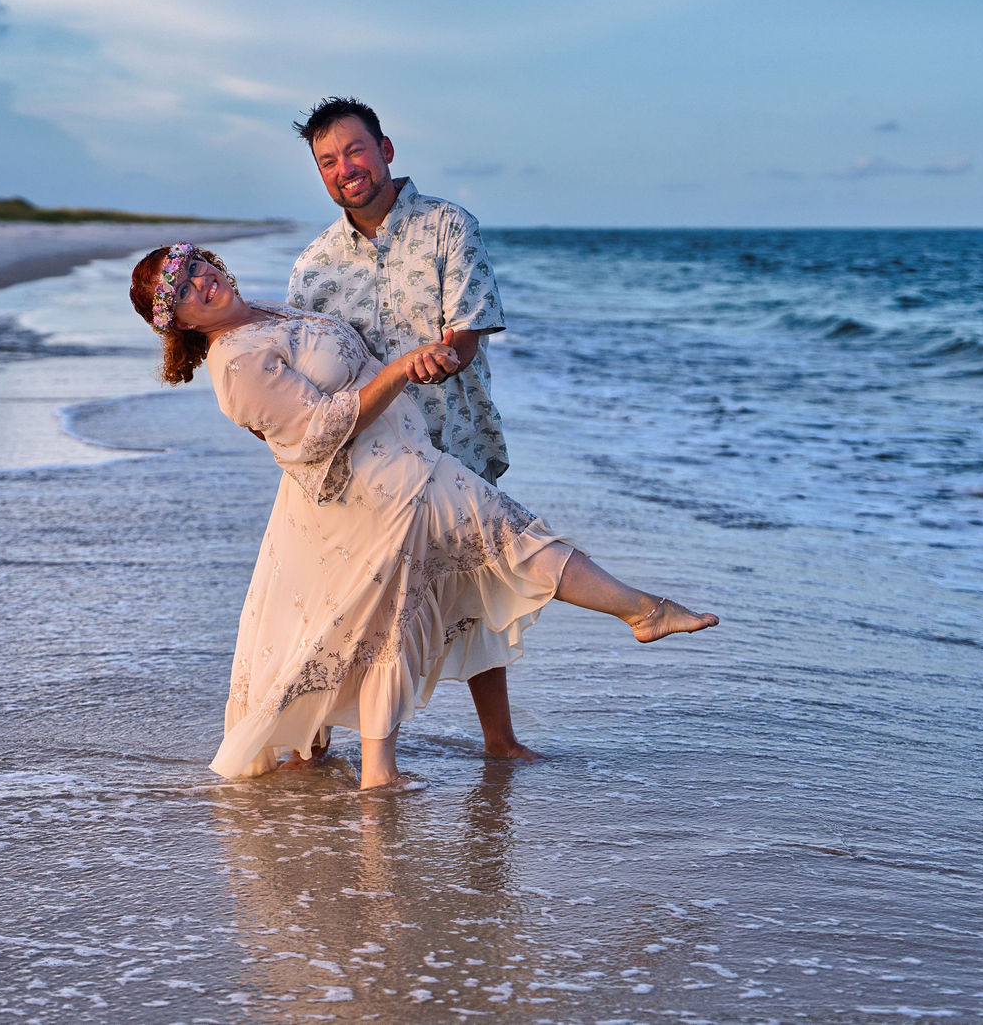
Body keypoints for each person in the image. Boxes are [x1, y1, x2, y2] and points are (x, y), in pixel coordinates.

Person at [129, 242, 718, 790]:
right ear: (177, 321)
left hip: (407, 463)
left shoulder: (264, 316)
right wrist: (401, 369)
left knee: (401, 609)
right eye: (180, 290)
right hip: (378, 485)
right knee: (507, 541)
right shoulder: (235, 361)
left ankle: (376, 770)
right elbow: (317, 431)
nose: (200, 283)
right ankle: (644, 611)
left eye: (197, 267)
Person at [287, 96, 530, 761]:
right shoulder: (312, 269)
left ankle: (500, 740)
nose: (346, 169)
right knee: (347, 603)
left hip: (454, 442)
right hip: (368, 461)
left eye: (356, 151)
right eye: (328, 161)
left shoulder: (450, 226)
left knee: (475, 589)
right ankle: (313, 743)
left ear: (386, 149)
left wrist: (434, 356)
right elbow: (305, 377)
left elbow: (466, 335)